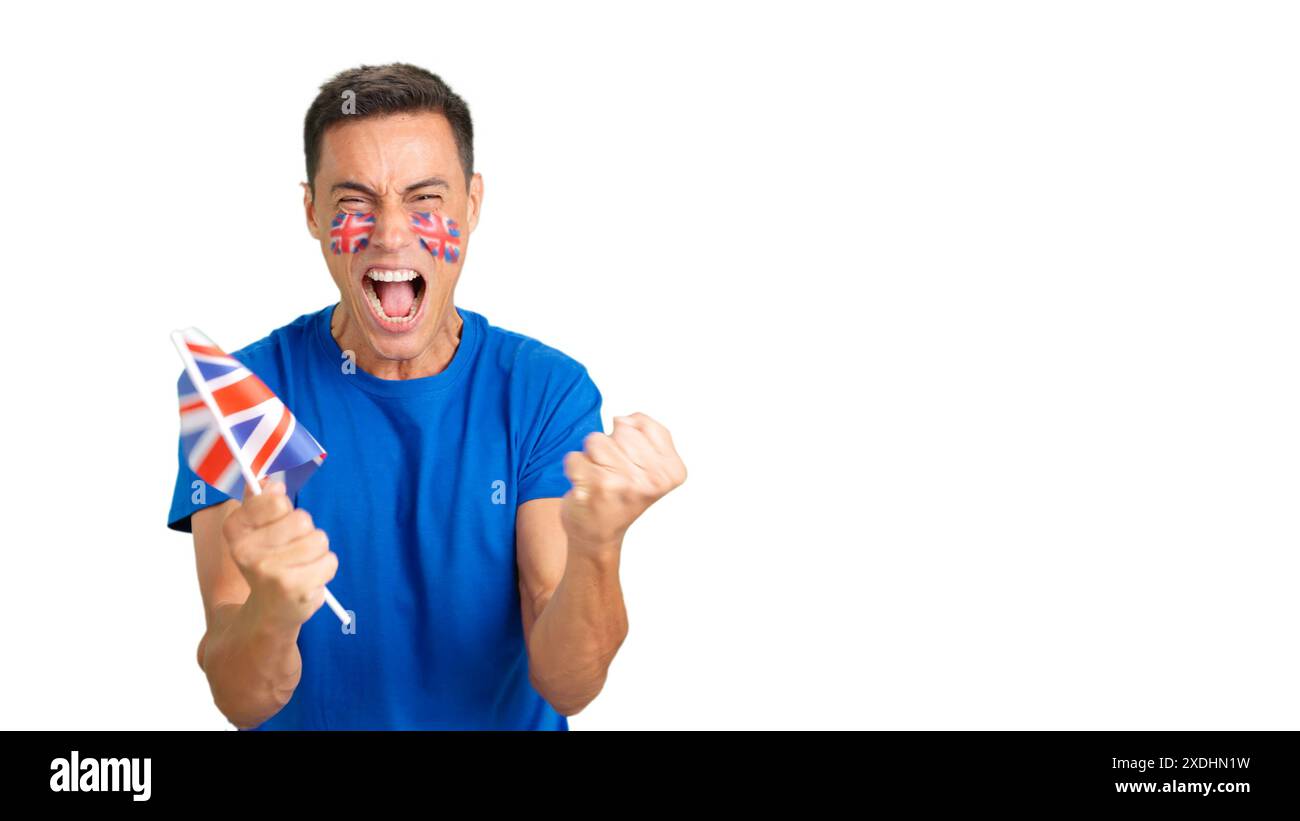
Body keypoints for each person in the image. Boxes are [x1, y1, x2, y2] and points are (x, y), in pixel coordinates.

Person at [166, 63, 686, 730]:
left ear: (472, 203)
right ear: (311, 212)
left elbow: (567, 682)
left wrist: (597, 547)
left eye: (425, 199)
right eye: (354, 201)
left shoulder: (544, 392)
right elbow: (239, 697)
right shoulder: (238, 397)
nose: (390, 233)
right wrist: (271, 608)